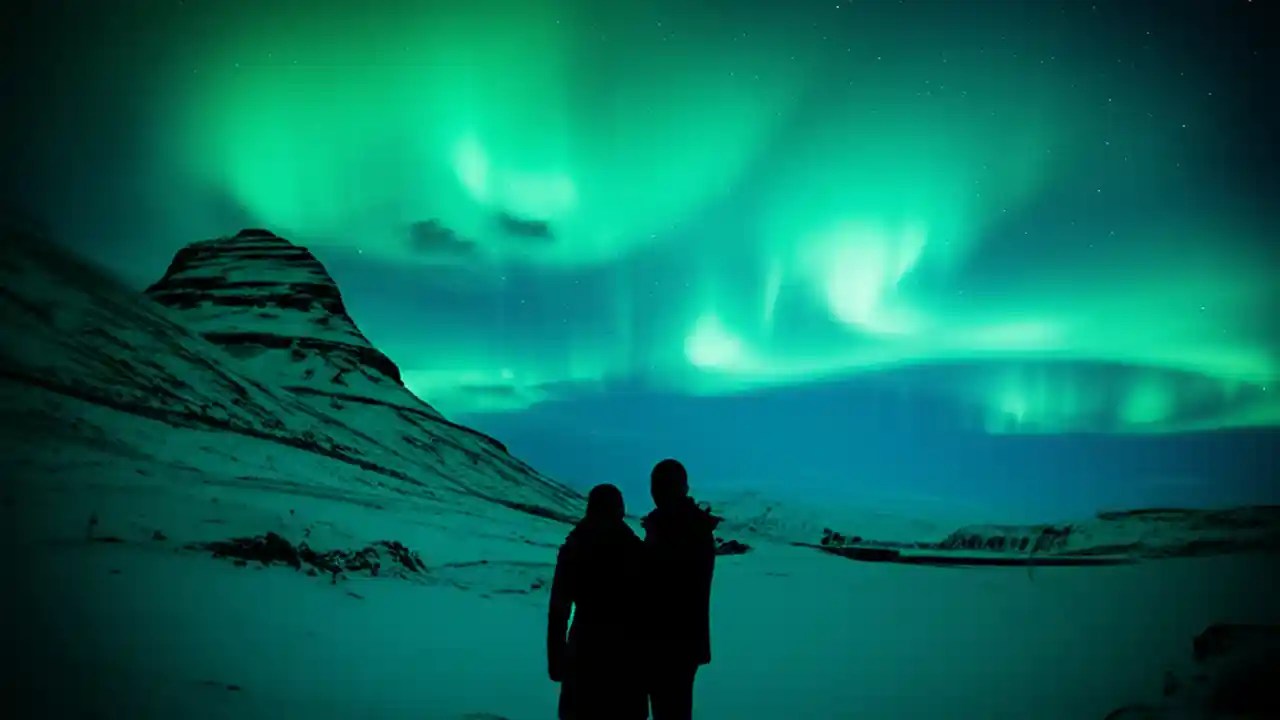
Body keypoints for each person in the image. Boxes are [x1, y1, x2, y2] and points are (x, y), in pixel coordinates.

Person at [547, 484, 649, 720]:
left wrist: (557, 660)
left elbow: (559, 609)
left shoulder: (576, 545)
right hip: (625, 655)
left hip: (586, 651)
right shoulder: (633, 548)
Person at [642, 458, 720, 720]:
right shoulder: (688, 525)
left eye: (659, 486)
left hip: (668, 641)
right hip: (679, 641)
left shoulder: (678, 527)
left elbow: (662, 581)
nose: (655, 493)